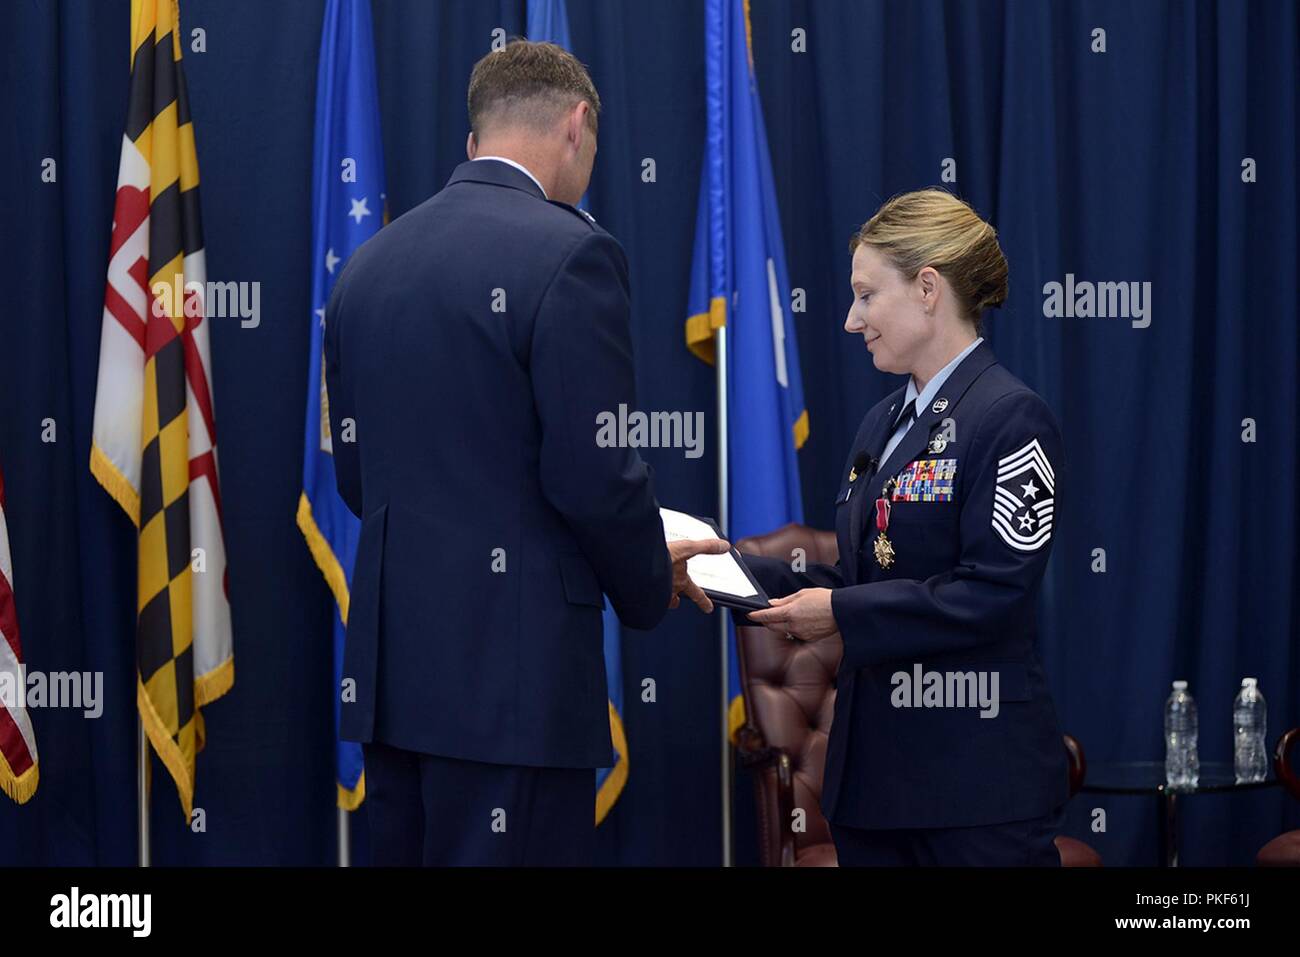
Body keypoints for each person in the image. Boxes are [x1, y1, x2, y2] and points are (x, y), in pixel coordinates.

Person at [322, 40, 726, 866]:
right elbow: (593, 474)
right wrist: (652, 572)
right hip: (515, 687)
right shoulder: (573, 252)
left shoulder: (365, 266)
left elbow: (357, 481)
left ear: (474, 143)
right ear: (578, 125)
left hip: (394, 683)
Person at [745, 189, 1070, 866]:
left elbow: (992, 593)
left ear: (927, 288)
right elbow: (861, 575)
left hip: (974, 788)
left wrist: (836, 608)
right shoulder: (882, 422)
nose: (850, 319)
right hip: (873, 786)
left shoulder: (1011, 417)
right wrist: (719, 566)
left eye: (866, 295)